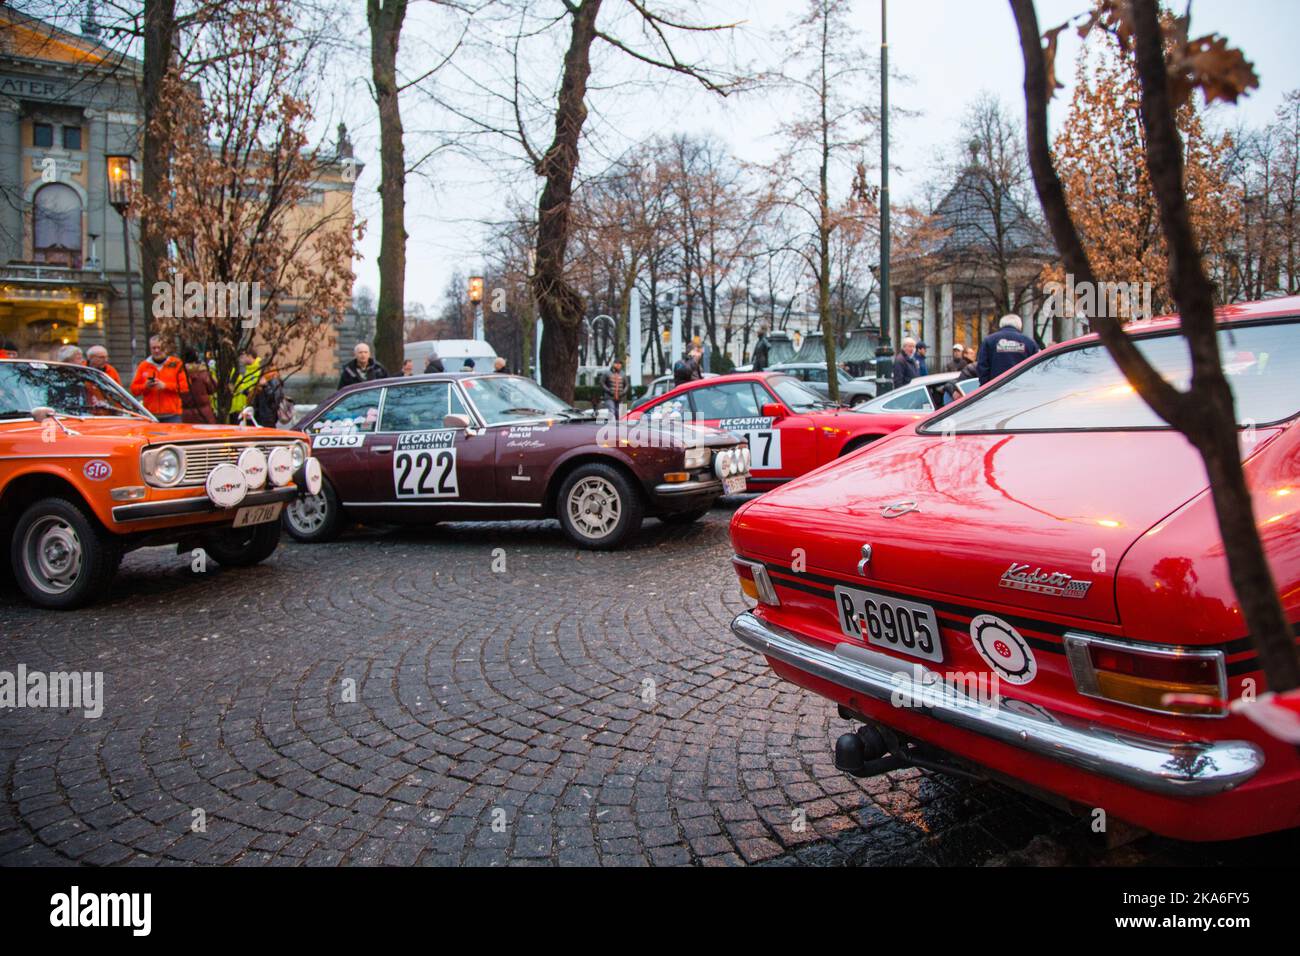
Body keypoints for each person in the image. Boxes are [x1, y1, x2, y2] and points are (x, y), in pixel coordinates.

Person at [130, 335, 190, 422]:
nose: (156, 350)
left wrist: (165, 386)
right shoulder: (143, 366)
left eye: (159, 347)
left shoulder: (176, 364)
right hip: (150, 415)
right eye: (153, 348)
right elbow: (133, 390)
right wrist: (145, 386)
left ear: (166, 348)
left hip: (172, 415)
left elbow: (185, 387)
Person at [976, 314, 1039, 385]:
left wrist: (985, 386)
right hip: (1022, 388)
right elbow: (1036, 367)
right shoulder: (1029, 342)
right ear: (1019, 326)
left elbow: (982, 366)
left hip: (996, 388)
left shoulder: (989, 340)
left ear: (1001, 325)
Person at [181, 349, 217, 424]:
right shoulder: (203, 373)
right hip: (204, 413)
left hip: (184, 414)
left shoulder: (179, 373)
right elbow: (213, 388)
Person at [230, 348, 262, 421]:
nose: (240, 360)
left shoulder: (258, 369)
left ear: (249, 356)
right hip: (241, 408)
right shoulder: (248, 369)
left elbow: (250, 389)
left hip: (251, 409)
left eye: (242, 357)